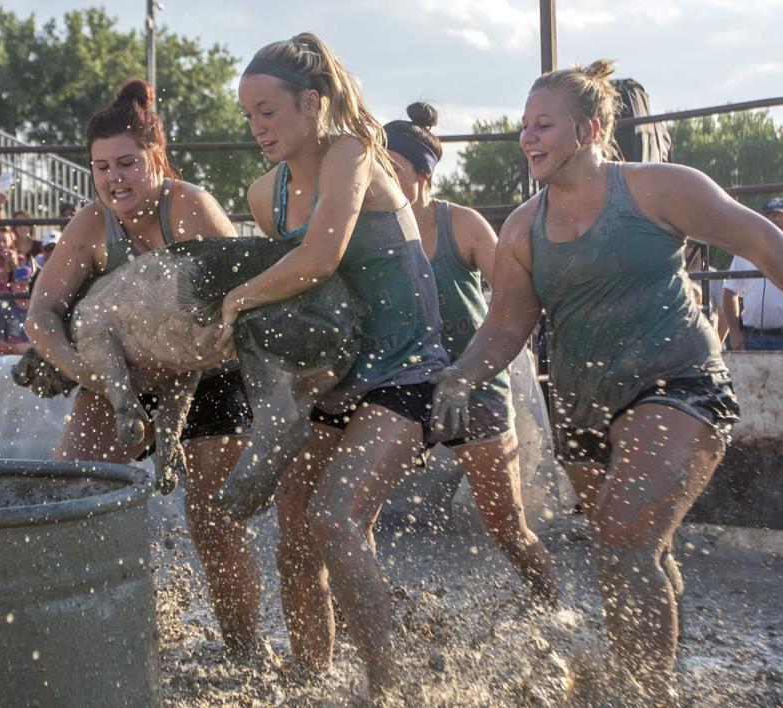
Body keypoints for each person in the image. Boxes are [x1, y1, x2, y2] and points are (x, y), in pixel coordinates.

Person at [429, 60, 783, 700]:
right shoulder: (521, 228)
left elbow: (763, 242)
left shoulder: (660, 189)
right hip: (583, 408)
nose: (527, 138)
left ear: (591, 129)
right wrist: (460, 374)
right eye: (523, 126)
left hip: (679, 382)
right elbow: (508, 322)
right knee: (626, 547)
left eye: (543, 124)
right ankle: (644, 670)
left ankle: (645, 695)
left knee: (623, 535)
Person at [221, 34, 449, 696]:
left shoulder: (353, 152)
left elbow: (318, 259)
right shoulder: (265, 194)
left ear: (310, 102)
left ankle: (385, 688)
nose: (257, 126)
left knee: (335, 517)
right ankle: (312, 678)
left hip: (407, 372)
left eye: (268, 110)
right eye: (248, 114)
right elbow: (294, 294)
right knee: (294, 535)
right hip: (332, 379)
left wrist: (232, 302)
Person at [27, 79, 260, 657]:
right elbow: (40, 312)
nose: (115, 179)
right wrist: (85, 372)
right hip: (122, 374)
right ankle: (97, 635)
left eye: (128, 163)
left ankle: (247, 651)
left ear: (156, 159)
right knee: (73, 493)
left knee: (212, 523)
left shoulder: (190, 206)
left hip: (213, 371)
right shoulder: (90, 224)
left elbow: (242, 308)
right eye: (101, 167)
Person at [384, 103, 557, 604]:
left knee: (506, 527)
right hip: (402, 384)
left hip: (473, 382)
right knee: (351, 509)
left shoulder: (462, 224)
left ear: (423, 173)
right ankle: (369, 609)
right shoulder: (369, 228)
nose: (380, 179)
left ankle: (551, 607)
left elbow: (516, 293)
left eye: (391, 168)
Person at [722, 197, 783, 351]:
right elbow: (729, 292)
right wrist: (735, 333)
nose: (775, 219)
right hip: (753, 338)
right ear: (763, 220)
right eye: (770, 215)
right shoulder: (746, 250)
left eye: (779, 215)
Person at [0, 265, 32, 355]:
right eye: (21, 285)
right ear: (12, 286)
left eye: (29, 285)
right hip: (6, 359)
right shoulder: (1, 308)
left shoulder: (39, 308)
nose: (26, 289)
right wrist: (21, 348)